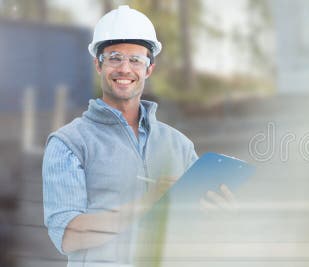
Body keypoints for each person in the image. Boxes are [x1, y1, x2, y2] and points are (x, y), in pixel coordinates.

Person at [42, 5, 233, 266]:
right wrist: (146, 205)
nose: (125, 69)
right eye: (114, 58)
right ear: (98, 64)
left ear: (149, 68)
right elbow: (67, 236)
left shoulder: (179, 145)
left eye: (135, 60)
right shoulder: (69, 143)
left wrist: (215, 215)